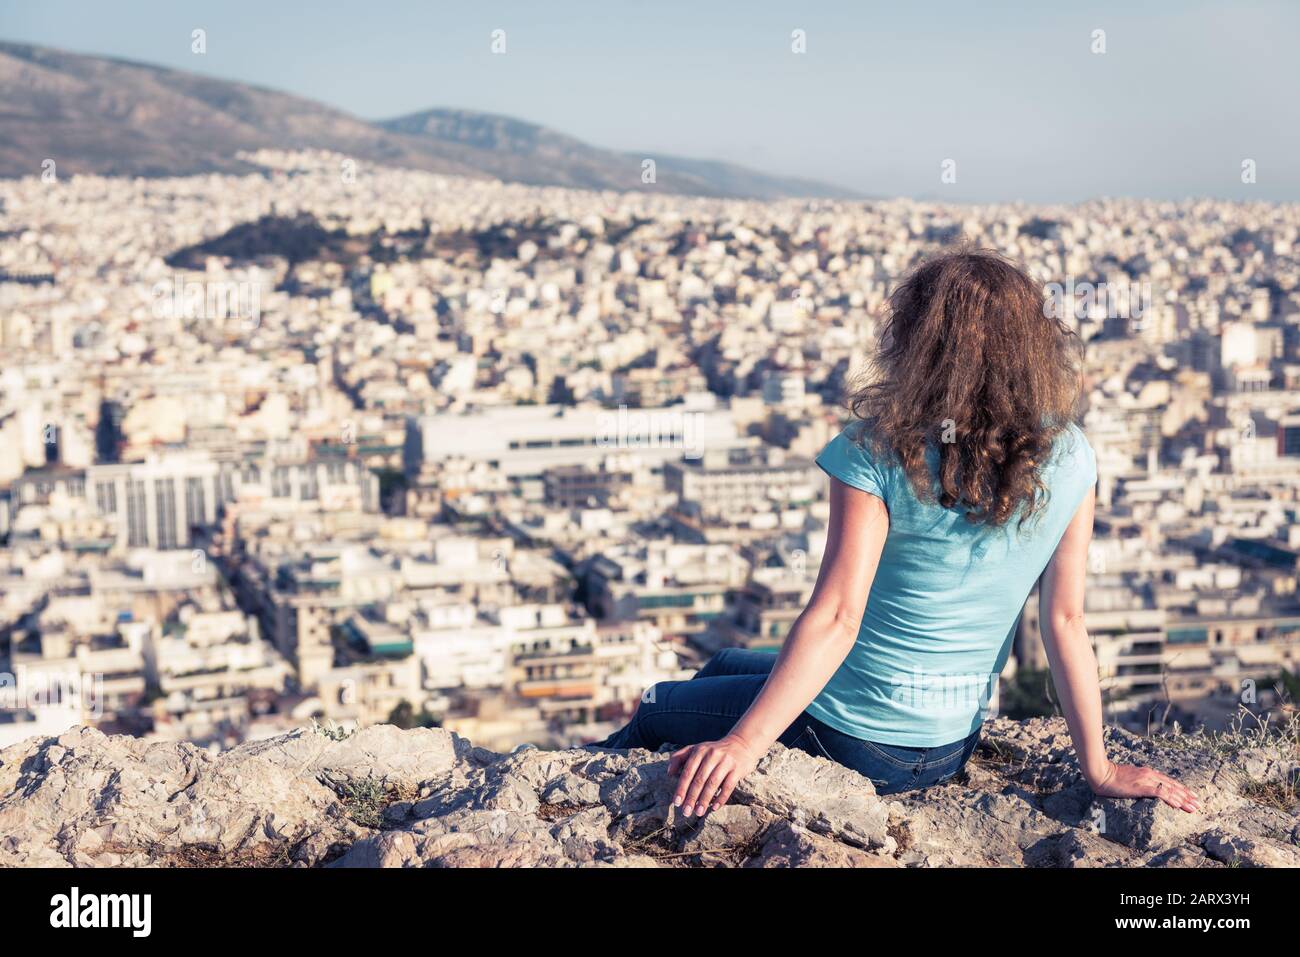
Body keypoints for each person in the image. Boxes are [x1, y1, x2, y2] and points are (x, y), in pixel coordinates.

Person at [591, 248, 1200, 820]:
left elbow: (837, 618)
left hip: (853, 740)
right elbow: (1066, 621)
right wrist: (1098, 769)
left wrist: (745, 744)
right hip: (949, 743)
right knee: (724, 661)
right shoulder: (1070, 454)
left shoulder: (878, 452)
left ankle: (607, 798)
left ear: (917, 342)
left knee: (654, 707)